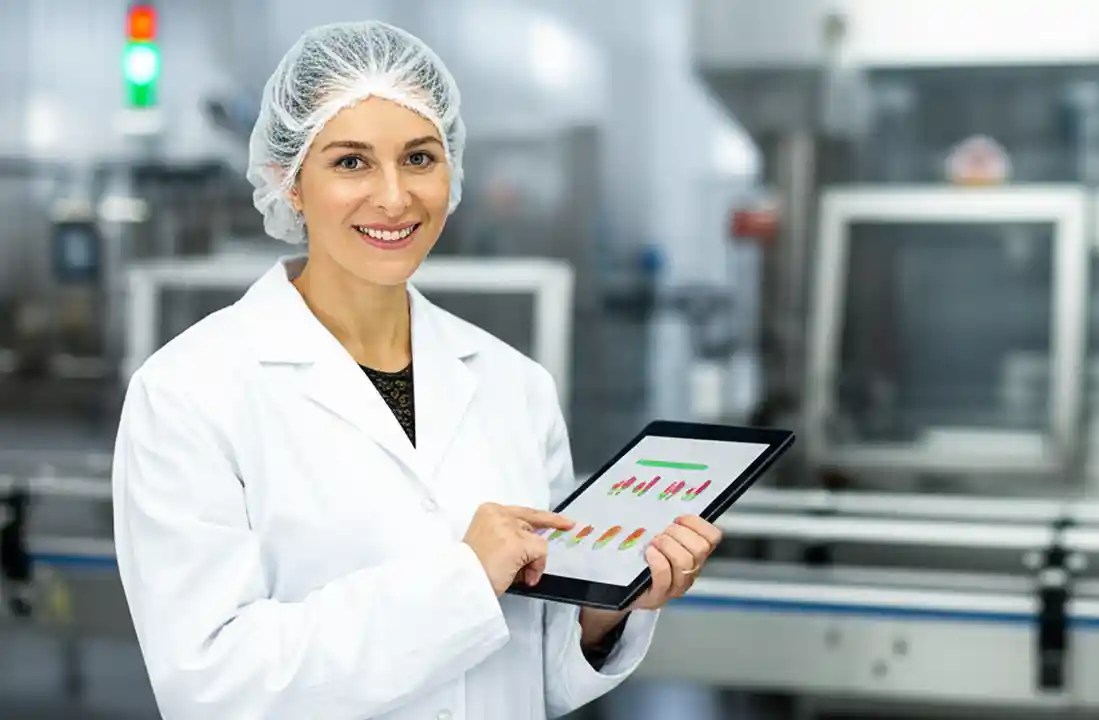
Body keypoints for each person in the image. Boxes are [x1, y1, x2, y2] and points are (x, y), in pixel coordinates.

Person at [111, 20, 723, 720]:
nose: (395, 197)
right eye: (351, 162)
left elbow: (535, 673)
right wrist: (464, 583)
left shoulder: (514, 384)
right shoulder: (189, 391)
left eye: (419, 158)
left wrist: (609, 606)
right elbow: (211, 686)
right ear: (289, 181)